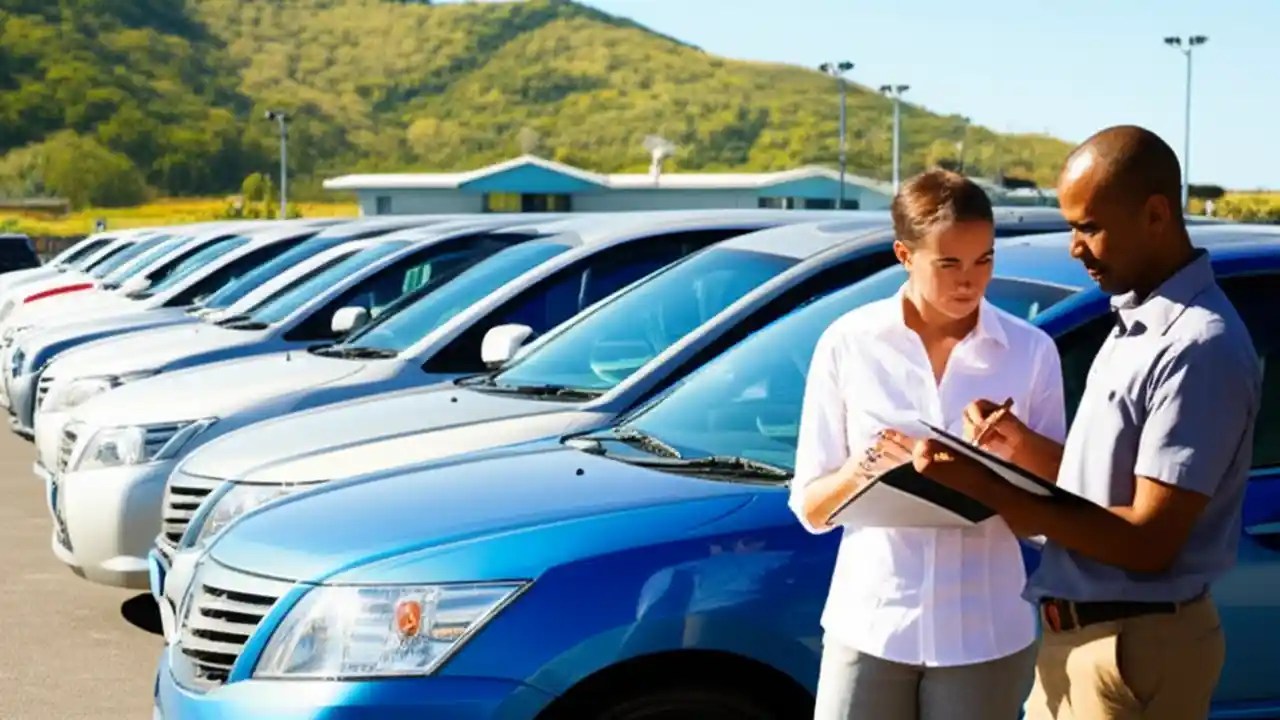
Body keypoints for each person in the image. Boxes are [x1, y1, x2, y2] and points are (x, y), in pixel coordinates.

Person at [912, 125, 1262, 720]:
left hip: (1134, 648)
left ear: (1156, 214)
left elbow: (1149, 541)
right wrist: (1020, 450)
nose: (1076, 247)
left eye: (1088, 227)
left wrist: (988, 490)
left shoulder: (1197, 343)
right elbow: (1102, 492)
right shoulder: (1137, 322)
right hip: (1085, 643)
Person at [788, 168, 1068, 720]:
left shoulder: (1031, 351)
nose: (970, 281)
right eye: (949, 263)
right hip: (869, 624)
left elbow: (1057, 506)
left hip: (986, 631)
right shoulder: (848, 343)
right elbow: (812, 508)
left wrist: (1016, 445)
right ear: (903, 254)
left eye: (984, 260)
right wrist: (866, 470)